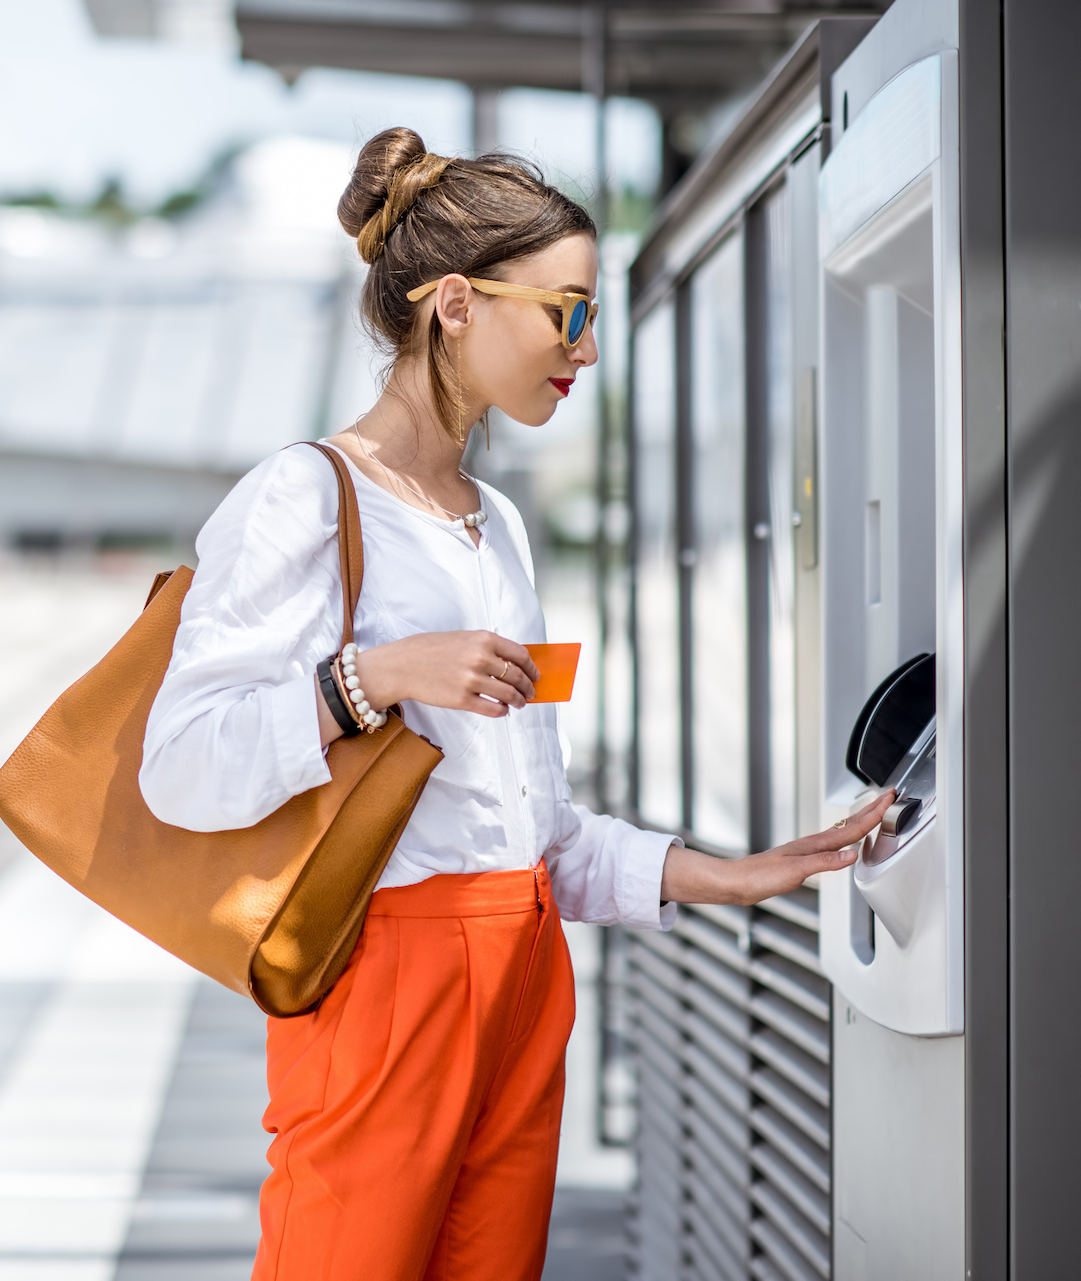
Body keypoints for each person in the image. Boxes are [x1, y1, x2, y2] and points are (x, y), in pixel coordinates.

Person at [138, 127, 891, 1281]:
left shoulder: (500, 525)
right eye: (566, 313)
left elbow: (536, 832)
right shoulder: (304, 495)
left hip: (528, 968)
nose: (583, 350)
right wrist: (369, 679)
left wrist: (729, 874)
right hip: (388, 983)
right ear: (454, 304)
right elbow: (178, 767)